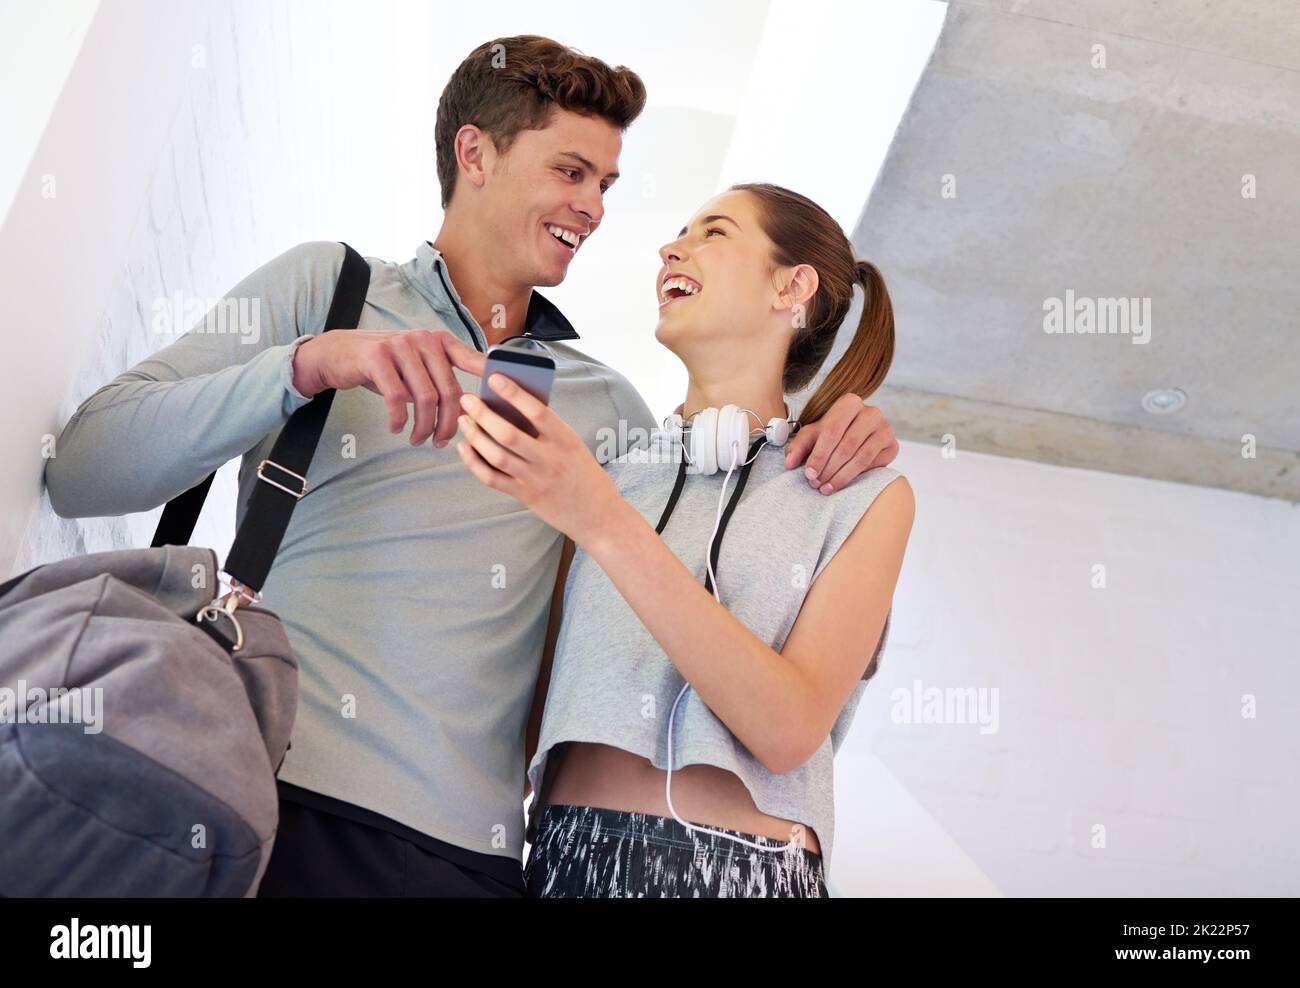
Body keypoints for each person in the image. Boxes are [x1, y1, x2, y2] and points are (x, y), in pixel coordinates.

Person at [42, 36, 898, 898]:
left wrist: (840, 419)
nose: (595, 207)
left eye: (605, 184)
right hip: (267, 790)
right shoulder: (332, 292)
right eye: (571, 171)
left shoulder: (614, 418)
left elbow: (726, 506)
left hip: (474, 861)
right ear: (475, 153)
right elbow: (84, 469)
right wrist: (307, 365)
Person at [455, 182, 915, 897]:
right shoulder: (603, 473)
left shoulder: (862, 495)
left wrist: (603, 522)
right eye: (679, 233)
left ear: (791, 286)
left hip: (745, 873)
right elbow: (532, 717)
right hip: (565, 859)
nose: (674, 248)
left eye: (715, 233)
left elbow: (787, 730)